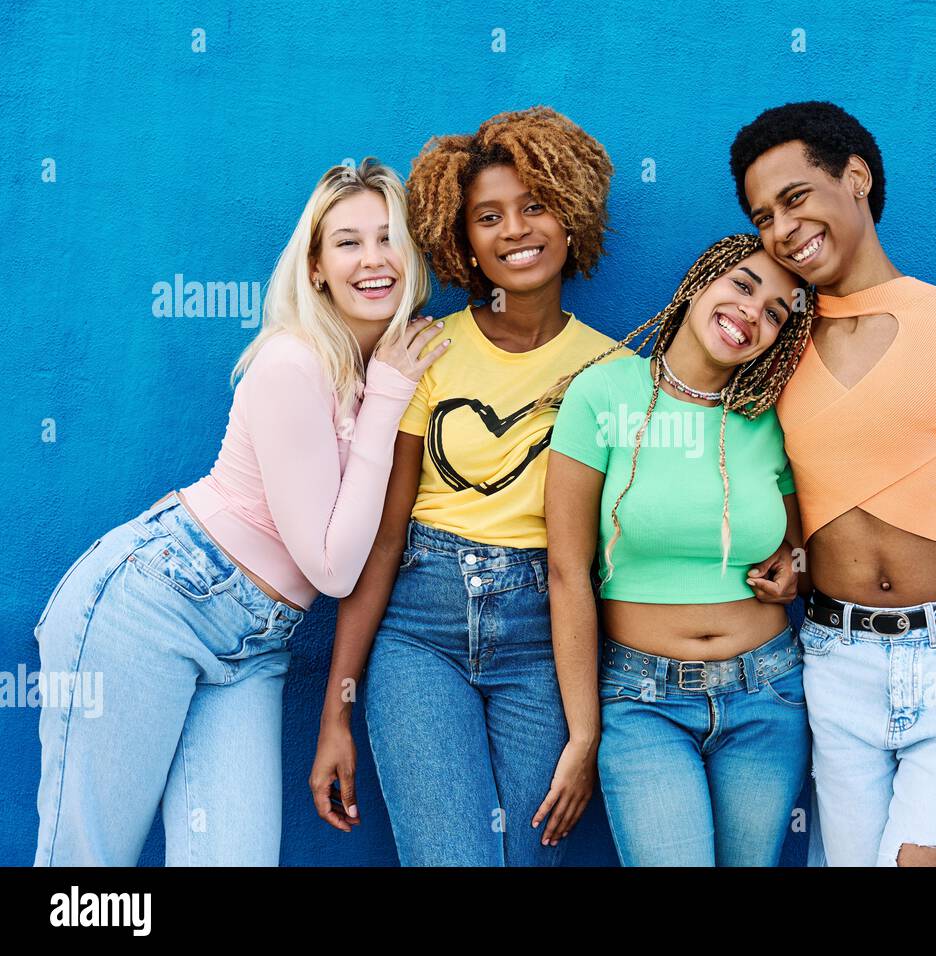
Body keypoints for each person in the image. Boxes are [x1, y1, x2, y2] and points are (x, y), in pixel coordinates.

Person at [33, 158, 443, 865]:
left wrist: (385, 391)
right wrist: (387, 401)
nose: (373, 260)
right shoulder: (294, 363)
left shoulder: (372, 369)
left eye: (389, 238)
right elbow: (335, 567)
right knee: (87, 866)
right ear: (315, 267)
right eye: (347, 242)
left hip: (255, 644)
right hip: (153, 607)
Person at [730, 101, 936, 866]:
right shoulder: (774, 346)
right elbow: (788, 500)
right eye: (763, 215)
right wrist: (795, 563)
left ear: (856, 178)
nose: (782, 228)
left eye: (796, 197)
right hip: (836, 663)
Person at [309, 107, 626, 865]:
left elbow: (606, 553)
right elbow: (383, 541)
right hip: (421, 632)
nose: (515, 229)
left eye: (536, 205)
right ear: (463, 239)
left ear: (572, 214)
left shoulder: (614, 372)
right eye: (489, 216)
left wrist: (591, 730)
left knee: (530, 855)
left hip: (546, 644)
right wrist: (335, 714)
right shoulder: (429, 349)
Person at [544, 233, 815, 865]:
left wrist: (794, 569)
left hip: (768, 694)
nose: (753, 312)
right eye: (743, 286)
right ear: (700, 282)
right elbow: (566, 573)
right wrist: (584, 733)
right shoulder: (603, 395)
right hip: (641, 702)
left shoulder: (771, 416)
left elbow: (802, 548)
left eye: (776, 311)